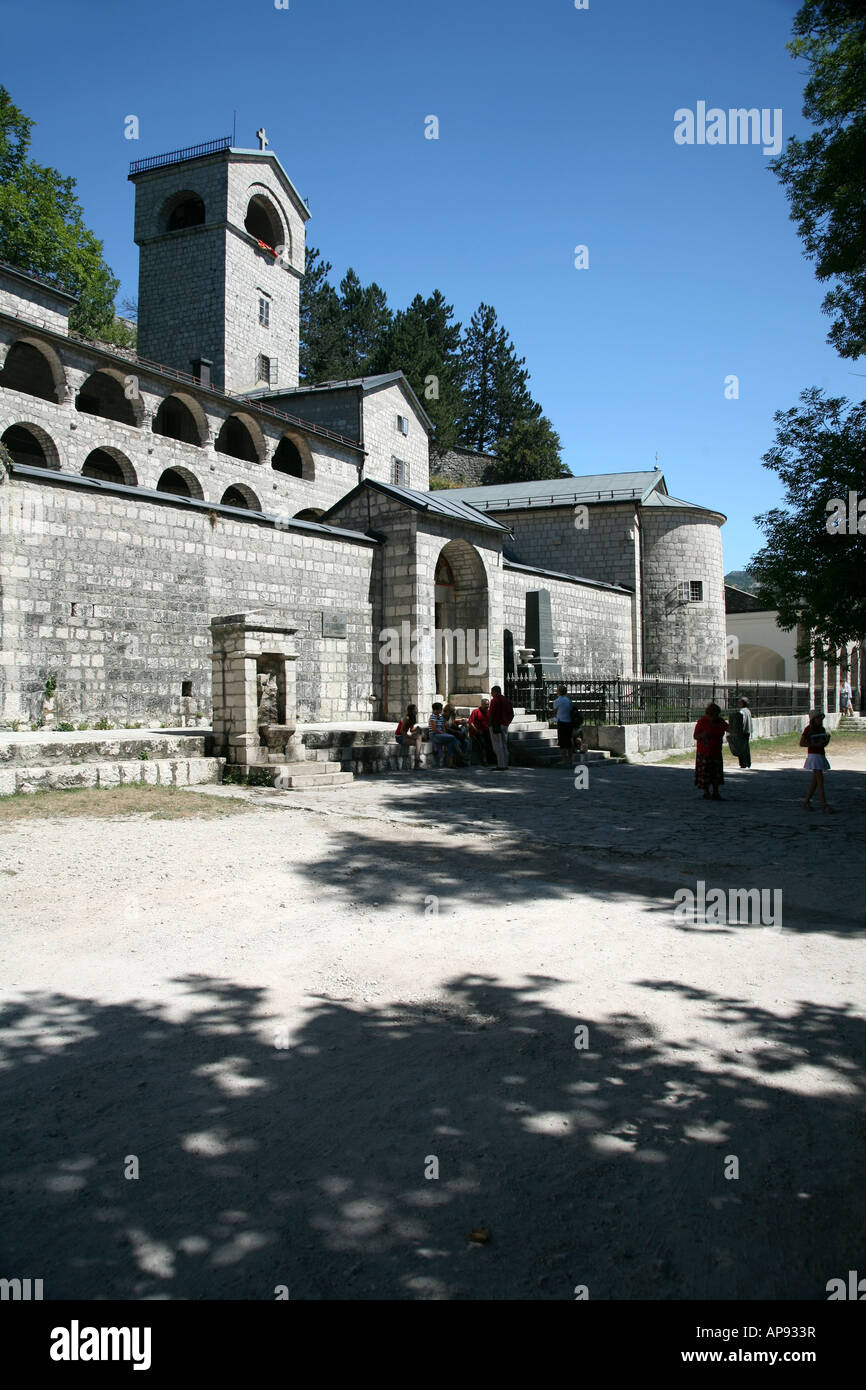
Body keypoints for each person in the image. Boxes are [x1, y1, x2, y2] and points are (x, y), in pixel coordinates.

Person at [693, 701, 729, 800]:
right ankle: (706, 792)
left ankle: (716, 792)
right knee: (705, 773)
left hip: (716, 751)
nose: (715, 717)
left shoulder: (720, 721)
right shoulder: (702, 722)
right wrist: (702, 735)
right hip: (704, 752)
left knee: (716, 773)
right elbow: (695, 736)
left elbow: (729, 729)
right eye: (713, 715)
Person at [800, 710, 832, 812]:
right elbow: (802, 743)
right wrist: (814, 745)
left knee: (816, 781)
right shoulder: (808, 729)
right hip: (813, 755)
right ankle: (824, 804)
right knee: (820, 780)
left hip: (820, 754)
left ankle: (806, 802)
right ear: (814, 719)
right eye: (818, 718)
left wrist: (826, 740)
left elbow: (823, 744)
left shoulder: (821, 729)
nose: (820, 720)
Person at [488, 685, 514, 771]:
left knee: (497, 745)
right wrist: (507, 722)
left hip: (496, 724)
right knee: (504, 744)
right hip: (505, 724)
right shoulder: (507, 700)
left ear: (495, 691)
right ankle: (505, 764)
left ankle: (500, 765)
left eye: (492, 692)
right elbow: (511, 714)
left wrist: (490, 723)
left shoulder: (495, 700)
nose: (491, 694)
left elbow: (492, 713)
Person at [428, 702, 460, 768]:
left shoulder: (440, 717)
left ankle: (450, 764)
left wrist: (444, 733)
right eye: (440, 709)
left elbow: (443, 727)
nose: (441, 710)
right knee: (453, 738)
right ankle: (460, 753)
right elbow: (434, 730)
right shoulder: (432, 717)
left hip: (440, 735)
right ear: (436, 710)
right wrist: (443, 734)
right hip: (434, 735)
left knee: (450, 742)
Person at [394, 703, 422, 770]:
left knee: (419, 738)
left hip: (404, 736)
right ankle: (416, 763)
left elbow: (411, 730)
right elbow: (401, 731)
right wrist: (410, 737)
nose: (417, 709)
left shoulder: (412, 717)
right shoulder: (406, 718)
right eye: (416, 708)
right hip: (399, 737)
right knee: (418, 742)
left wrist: (416, 728)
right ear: (412, 710)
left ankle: (417, 760)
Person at [727, 696, 753, 768]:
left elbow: (741, 721)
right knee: (746, 747)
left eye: (739, 702)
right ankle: (748, 762)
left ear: (742, 703)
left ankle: (743, 763)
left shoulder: (741, 712)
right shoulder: (748, 711)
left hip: (742, 732)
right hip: (747, 731)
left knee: (741, 748)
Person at [468, 697, 495, 765]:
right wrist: (477, 730)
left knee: (492, 741)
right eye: (485, 704)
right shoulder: (476, 712)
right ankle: (484, 759)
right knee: (483, 742)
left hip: (487, 731)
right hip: (477, 732)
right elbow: (470, 723)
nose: (487, 706)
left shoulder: (489, 712)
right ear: (482, 704)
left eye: (488, 704)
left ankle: (492, 759)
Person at [552, 683, 574, 766]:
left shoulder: (557, 701)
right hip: (569, 722)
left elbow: (554, 711)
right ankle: (570, 759)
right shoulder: (568, 700)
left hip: (561, 722)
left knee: (562, 742)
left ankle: (564, 759)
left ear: (559, 692)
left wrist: (555, 718)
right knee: (569, 741)